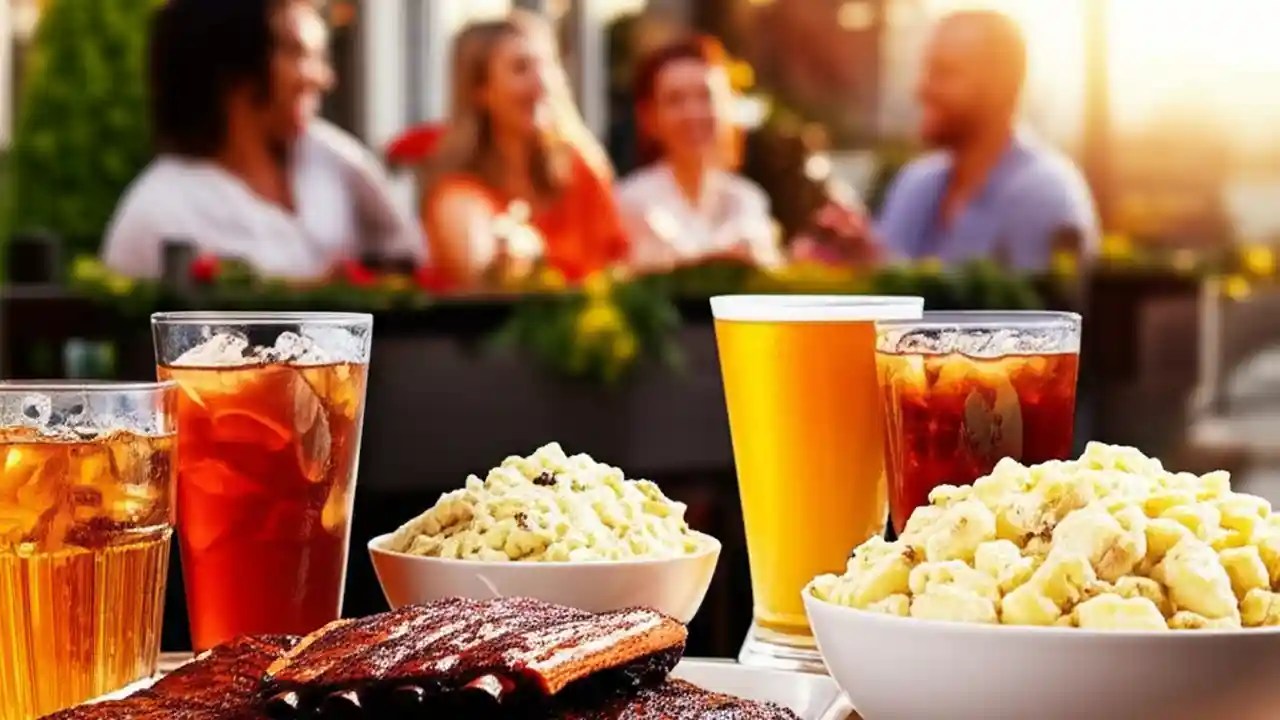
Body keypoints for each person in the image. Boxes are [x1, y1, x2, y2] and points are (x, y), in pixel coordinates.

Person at [102, 0, 423, 280]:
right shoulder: (159, 210)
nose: (323, 78)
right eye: (299, 53)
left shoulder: (333, 158)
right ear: (235, 65)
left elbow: (411, 257)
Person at [876, 10, 1099, 271]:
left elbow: (1030, 306)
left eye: (944, 72)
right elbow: (885, 281)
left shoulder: (1044, 194)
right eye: (926, 70)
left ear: (1001, 86)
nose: (921, 89)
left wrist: (879, 265)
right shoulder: (914, 184)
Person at [422, 17, 626, 288]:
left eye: (548, 65)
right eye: (521, 68)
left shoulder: (582, 169)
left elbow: (622, 266)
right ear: (479, 91)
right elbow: (481, 281)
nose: (542, 83)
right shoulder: (458, 196)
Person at [615, 38, 779, 272]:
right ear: (650, 118)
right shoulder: (629, 203)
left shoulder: (748, 200)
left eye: (706, 96)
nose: (693, 114)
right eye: (675, 100)